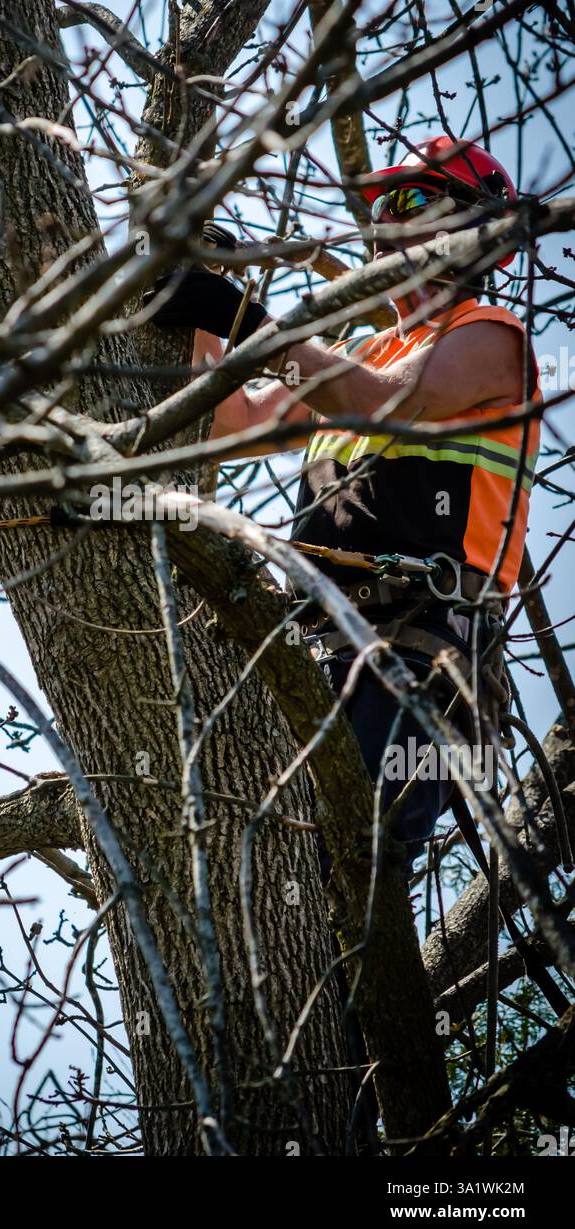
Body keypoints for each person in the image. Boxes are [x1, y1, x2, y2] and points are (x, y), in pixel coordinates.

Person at [146, 137, 540, 881]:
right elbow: (228, 429)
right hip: (322, 643)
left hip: (422, 645)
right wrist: (200, 304)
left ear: (480, 231)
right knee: (265, 855)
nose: (387, 218)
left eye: (415, 200)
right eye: (382, 205)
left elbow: (382, 404)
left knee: (351, 867)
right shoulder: (358, 352)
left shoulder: (488, 338)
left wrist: (251, 322)